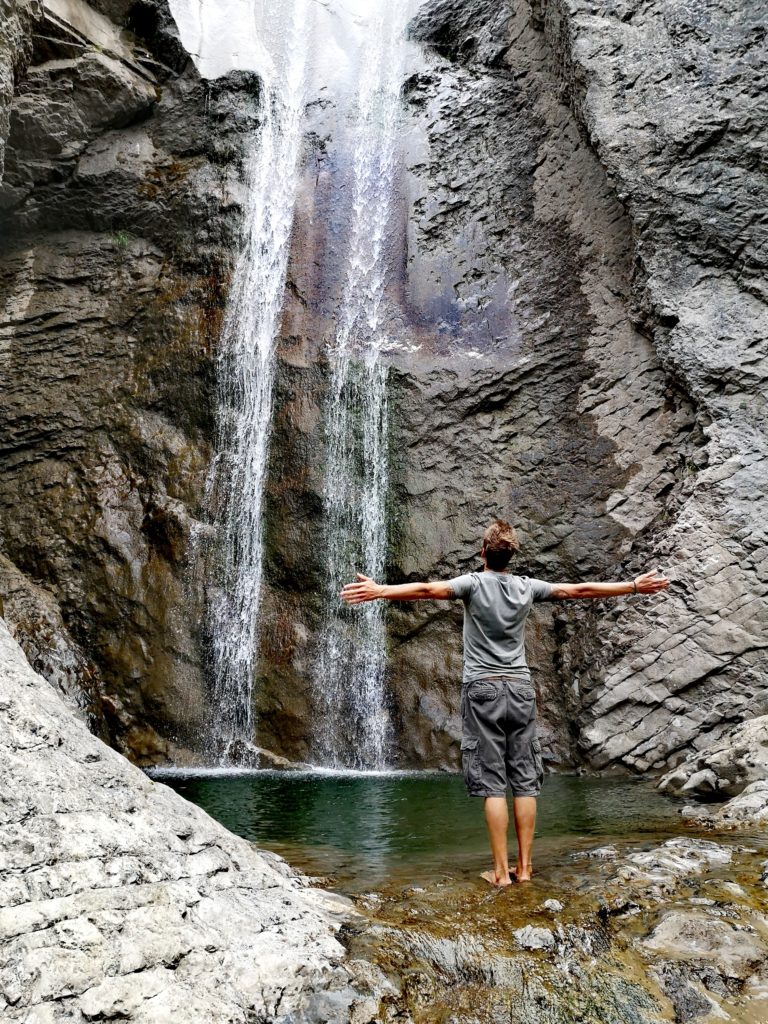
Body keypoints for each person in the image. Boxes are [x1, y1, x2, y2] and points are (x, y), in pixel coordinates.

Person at [340, 519, 670, 887]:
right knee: (525, 780)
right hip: (521, 689)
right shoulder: (527, 588)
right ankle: (526, 870)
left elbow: (427, 589)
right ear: (511, 555)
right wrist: (635, 586)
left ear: (482, 553)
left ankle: (500, 873)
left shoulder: (472, 583)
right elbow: (580, 590)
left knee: (493, 781)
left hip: (482, 689)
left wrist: (379, 590)